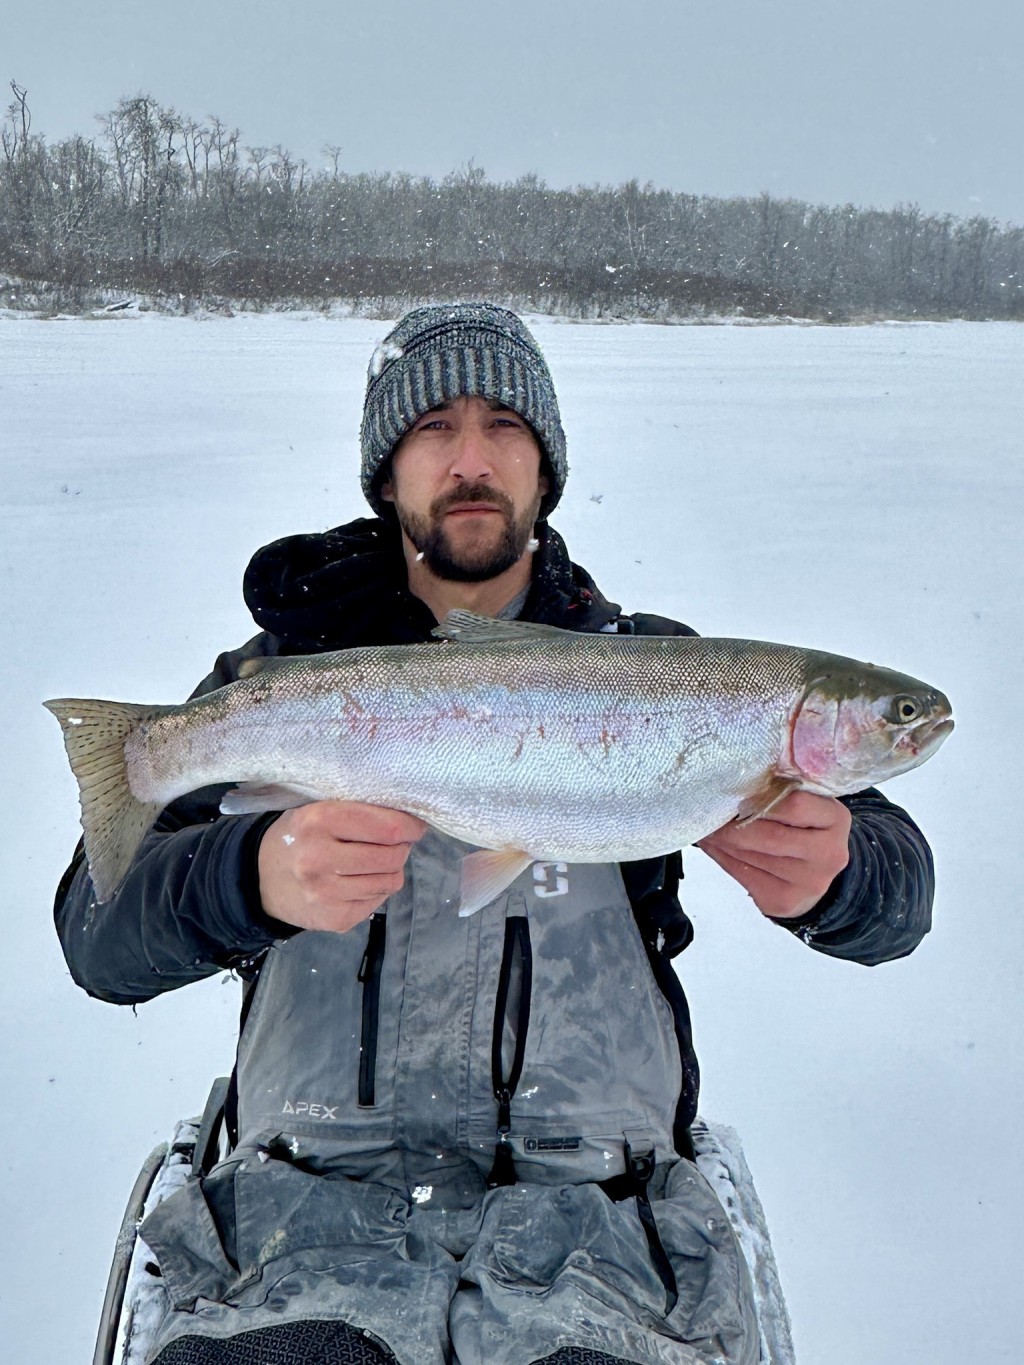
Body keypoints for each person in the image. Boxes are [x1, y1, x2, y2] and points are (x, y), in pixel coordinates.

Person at [55, 304, 934, 1365]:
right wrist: (243, 876)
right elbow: (99, 938)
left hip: (604, 1245)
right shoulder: (277, 688)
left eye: (505, 426)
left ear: (546, 466)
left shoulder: (669, 673)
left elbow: (898, 898)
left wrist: (841, 874)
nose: (471, 458)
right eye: (433, 428)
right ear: (387, 471)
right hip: (293, 1243)